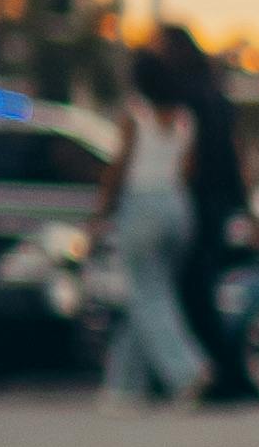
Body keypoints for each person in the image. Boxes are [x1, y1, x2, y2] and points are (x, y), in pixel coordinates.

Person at [87, 40, 210, 405]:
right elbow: (188, 169)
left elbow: (119, 167)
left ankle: (187, 370)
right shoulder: (185, 118)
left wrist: (101, 212)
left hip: (142, 205)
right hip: (178, 206)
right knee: (150, 294)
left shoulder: (135, 115)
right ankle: (124, 385)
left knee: (147, 294)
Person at [150, 19, 259, 402]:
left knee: (190, 289)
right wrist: (247, 206)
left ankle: (210, 372)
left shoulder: (182, 97)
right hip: (218, 203)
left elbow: (191, 158)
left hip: (195, 201)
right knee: (201, 287)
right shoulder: (213, 92)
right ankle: (216, 370)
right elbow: (236, 153)